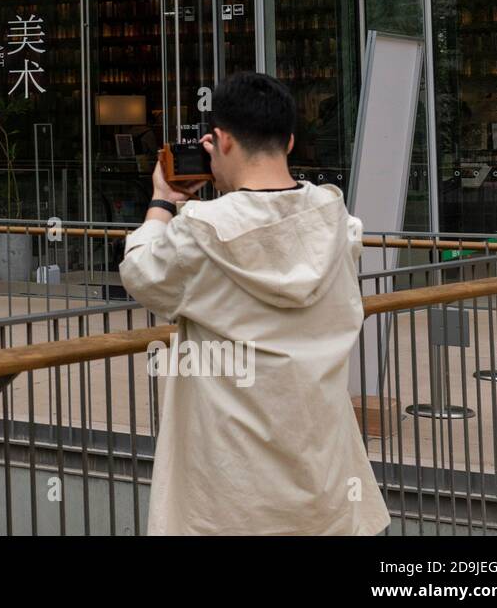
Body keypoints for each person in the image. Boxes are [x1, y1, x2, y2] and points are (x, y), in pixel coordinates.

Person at [119, 72, 390, 536]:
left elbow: (142, 273)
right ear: (288, 141)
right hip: (322, 476)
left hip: (232, 490)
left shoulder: (200, 231)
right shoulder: (336, 221)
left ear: (220, 141)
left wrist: (163, 203)